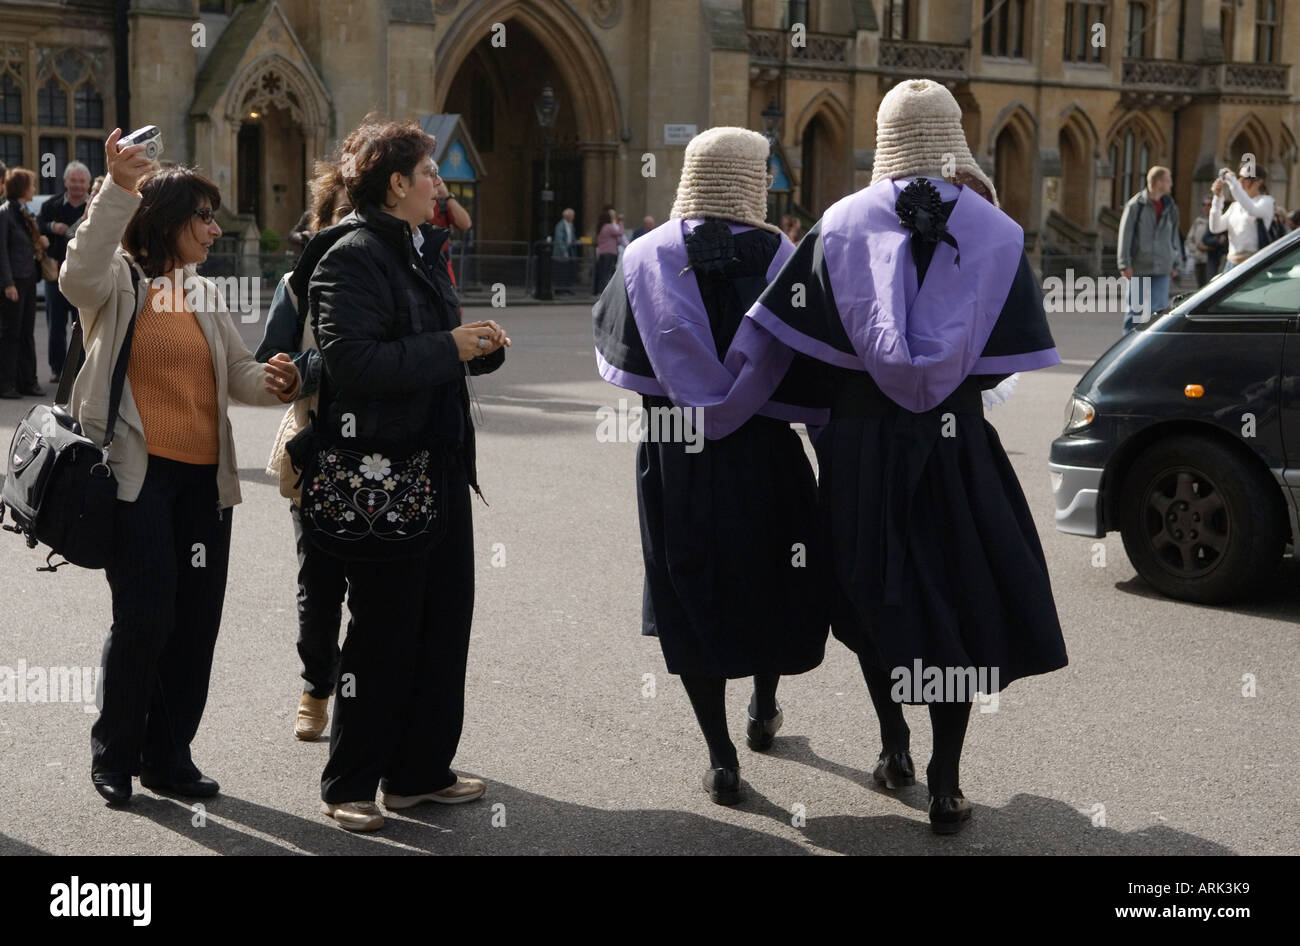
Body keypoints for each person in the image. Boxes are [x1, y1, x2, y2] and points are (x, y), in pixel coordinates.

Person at [737, 79, 1068, 834]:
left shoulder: (837, 224)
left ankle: (894, 749)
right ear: (951, 137)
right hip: (954, 449)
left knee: (871, 594)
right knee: (958, 600)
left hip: (860, 450)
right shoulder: (997, 230)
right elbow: (997, 365)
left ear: (885, 139)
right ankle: (948, 783)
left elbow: (798, 350)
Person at [60, 129, 300, 807]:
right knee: (145, 617)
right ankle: (115, 751)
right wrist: (118, 188)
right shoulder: (118, 284)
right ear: (167, 223)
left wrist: (276, 378)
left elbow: (240, 376)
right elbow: (75, 271)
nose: (215, 228)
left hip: (204, 488)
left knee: (195, 623)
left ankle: (170, 757)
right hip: (139, 480)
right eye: (204, 216)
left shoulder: (202, 294)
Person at [593, 127, 830, 805]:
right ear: (752, 180)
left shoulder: (642, 258)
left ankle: (722, 757)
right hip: (765, 452)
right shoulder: (784, 256)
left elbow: (631, 369)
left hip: (677, 457)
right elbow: (815, 372)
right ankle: (762, 709)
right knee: (769, 581)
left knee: (689, 586)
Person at [310, 117, 509, 832]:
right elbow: (353, 366)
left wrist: (477, 348)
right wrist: (446, 345)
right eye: (430, 174)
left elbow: (427, 346)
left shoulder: (417, 249)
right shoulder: (352, 256)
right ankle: (351, 781)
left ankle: (420, 771)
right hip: (383, 473)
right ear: (396, 184)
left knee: (442, 622)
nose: (441, 186)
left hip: (439, 464)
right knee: (385, 631)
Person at [256, 158, 352, 741]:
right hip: (314, 445)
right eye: (341, 216)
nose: (351, 228)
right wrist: (298, 371)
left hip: (385, 449)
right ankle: (317, 685)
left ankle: (361, 703)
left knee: (375, 592)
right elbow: (272, 357)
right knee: (319, 585)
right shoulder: (297, 283)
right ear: (321, 224)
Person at [39, 160, 93, 382]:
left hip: (83, 277)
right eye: (74, 181)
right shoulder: (51, 205)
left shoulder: (95, 207)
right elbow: (37, 225)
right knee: (56, 325)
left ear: (88, 183)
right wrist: (52, 227)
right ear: (65, 182)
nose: (78, 186)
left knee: (82, 326)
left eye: (82, 182)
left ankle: (79, 370)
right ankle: (58, 369)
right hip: (56, 276)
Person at [0, 167, 48, 398]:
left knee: (27, 332)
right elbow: (2, 252)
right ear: (21, 187)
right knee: (11, 333)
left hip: (28, 278)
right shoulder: (5, 213)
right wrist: (8, 284)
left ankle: (28, 381)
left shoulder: (24, 211)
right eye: (32, 184)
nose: (35, 188)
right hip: (14, 282)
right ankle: (6, 384)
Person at [1117, 166, 1181, 332]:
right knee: (1135, 313)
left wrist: (1176, 262)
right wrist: (1124, 264)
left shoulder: (1171, 207)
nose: (1171, 184)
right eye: (1168, 180)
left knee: (1158, 312)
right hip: (1139, 266)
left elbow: (1174, 237)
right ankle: (1127, 351)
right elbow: (1125, 236)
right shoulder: (1135, 206)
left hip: (1162, 266)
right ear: (1158, 182)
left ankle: (1151, 350)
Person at [1209, 164, 1276, 275]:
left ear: (1259, 181)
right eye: (1239, 177)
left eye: (1246, 178)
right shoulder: (1235, 206)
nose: (1241, 181)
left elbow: (1251, 209)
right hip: (1231, 263)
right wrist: (1218, 198)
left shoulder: (1266, 202)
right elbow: (1215, 228)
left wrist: (1232, 181)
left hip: (1253, 264)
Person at [426, 159, 470, 286]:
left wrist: (447, 196)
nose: (437, 181)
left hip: (441, 261)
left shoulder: (441, 202)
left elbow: (465, 223)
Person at [1186, 196, 1218, 288]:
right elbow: (1189, 239)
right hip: (1199, 259)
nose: (1206, 207)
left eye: (1209, 205)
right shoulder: (1198, 221)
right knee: (1200, 287)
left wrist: (1207, 248)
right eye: (1204, 205)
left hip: (1211, 260)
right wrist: (1195, 250)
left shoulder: (1216, 222)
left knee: (1210, 287)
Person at [592, 205, 621, 295]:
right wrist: (620, 223)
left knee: (603, 273)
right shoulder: (608, 227)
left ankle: (601, 291)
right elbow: (619, 232)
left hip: (602, 252)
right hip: (610, 252)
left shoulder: (600, 227)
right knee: (608, 273)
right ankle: (607, 292)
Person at [553, 207, 578, 291]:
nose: (573, 218)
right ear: (567, 216)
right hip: (561, 252)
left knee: (568, 270)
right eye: (572, 216)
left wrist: (576, 241)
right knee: (561, 270)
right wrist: (564, 251)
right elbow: (559, 239)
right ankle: (560, 288)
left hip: (570, 250)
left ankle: (567, 288)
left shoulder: (571, 225)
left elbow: (572, 237)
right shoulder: (560, 225)